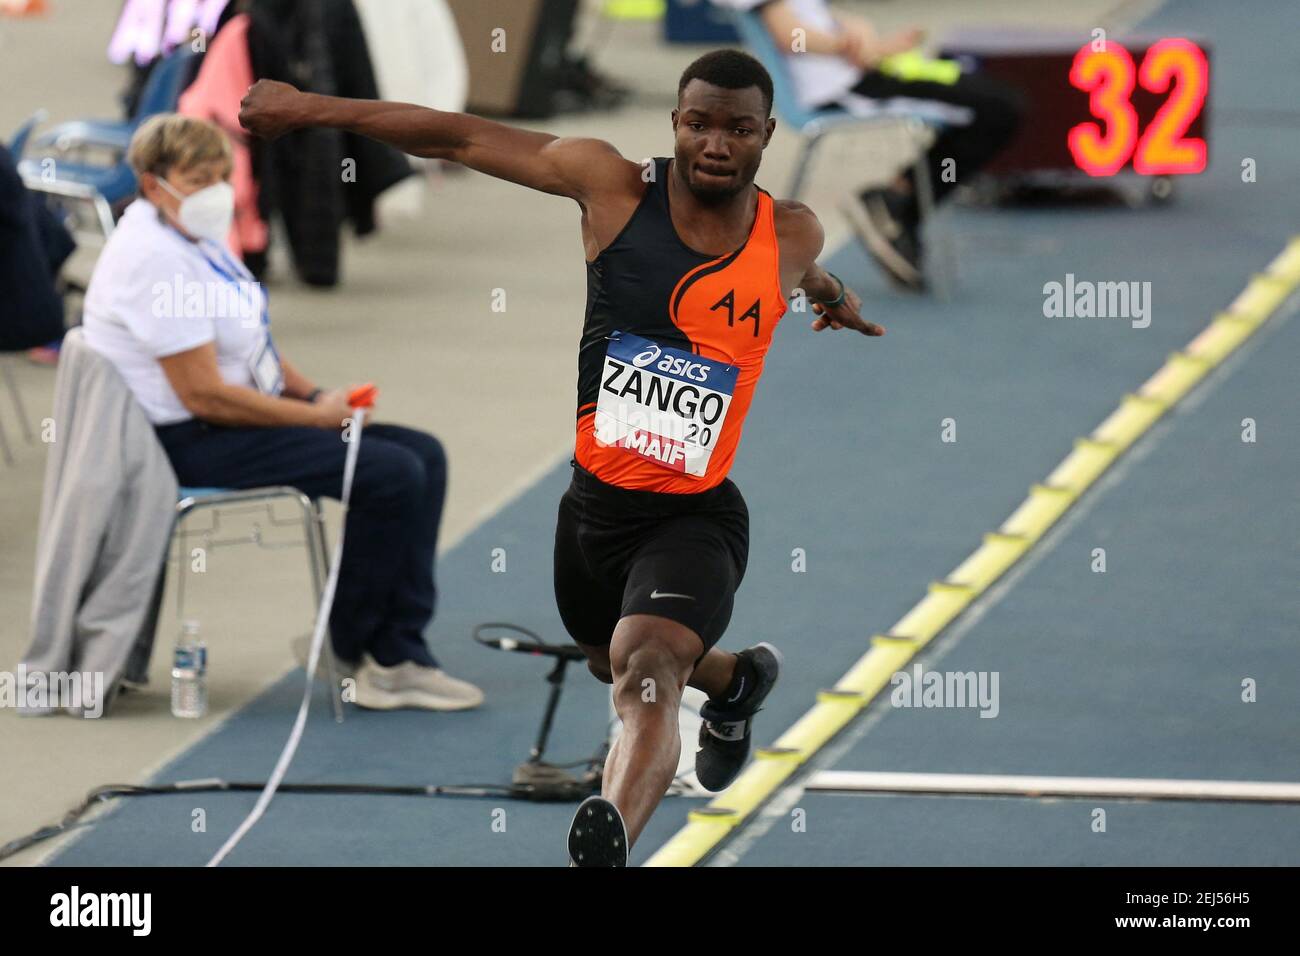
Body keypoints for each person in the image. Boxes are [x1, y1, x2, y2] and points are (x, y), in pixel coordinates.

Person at [238, 48, 883, 866]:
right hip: (591, 515)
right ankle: (734, 682)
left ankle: (611, 836)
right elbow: (458, 138)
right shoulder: (610, 187)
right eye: (698, 125)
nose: (716, 145)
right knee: (607, 659)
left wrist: (832, 295)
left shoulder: (793, 230)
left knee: (645, 669)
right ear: (675, 123)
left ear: (767, 135)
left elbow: (800, 267)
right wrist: (309, 107)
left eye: (739, 130)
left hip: (695, 518)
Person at [81, 113, 482, 712]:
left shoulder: (190, 235)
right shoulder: (152, 260)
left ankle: (397, 652)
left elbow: (250, 344)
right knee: (390, 473)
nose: (216, 191)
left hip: (223, 420)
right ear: (151, 185)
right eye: (197, 179)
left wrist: (316, 396)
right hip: (184, 441)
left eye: (222, 176)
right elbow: (204, 396)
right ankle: (351, 648)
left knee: (424, 454)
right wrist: (315, 420)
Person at [714, 0, 1024, 291]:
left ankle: (895, 201)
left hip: (864, 76)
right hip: (851, 90)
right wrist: (850, 47)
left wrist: (868, 40)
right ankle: (897, 206)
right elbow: (790, 37)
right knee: (998, 110)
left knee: (998, 105)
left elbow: (817, 21)